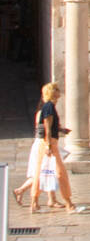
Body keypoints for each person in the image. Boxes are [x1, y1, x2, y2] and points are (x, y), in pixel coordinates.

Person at [15, 83, 84, 215]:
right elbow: (47, 127)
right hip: (49, 144)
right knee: (60, 174)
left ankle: (34, 204)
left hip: (49, 143)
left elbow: (50, 126)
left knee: (41, 173)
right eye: (57, 90)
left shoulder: (49, 106)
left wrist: (60, 130)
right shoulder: (49, 107)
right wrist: (48, 146)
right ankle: (69, 205)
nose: (59, 92)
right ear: (52, 92)